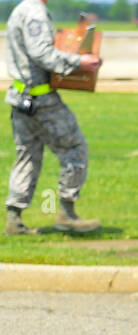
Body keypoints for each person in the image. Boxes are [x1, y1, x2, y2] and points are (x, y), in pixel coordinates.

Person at [5, 0, 101, 235]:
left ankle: (14, 219)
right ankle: (67, 214)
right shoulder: (35, 13)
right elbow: (41, 54)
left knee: (27, 156)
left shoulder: (21, 9)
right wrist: (79, 61)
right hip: (42, 100)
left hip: (21, 98)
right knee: (75, 149)